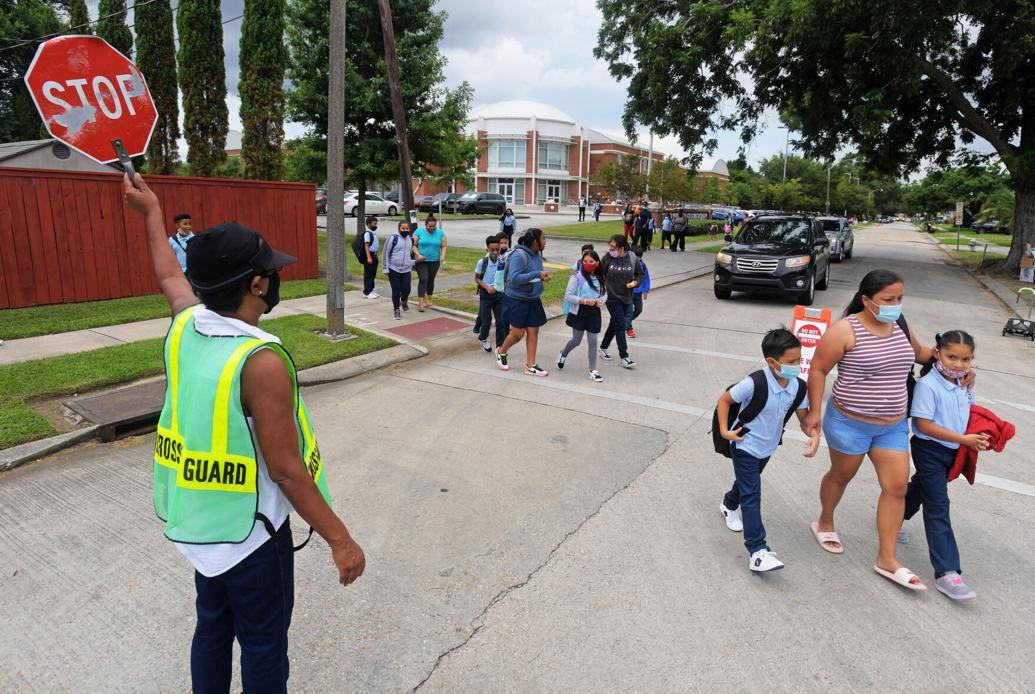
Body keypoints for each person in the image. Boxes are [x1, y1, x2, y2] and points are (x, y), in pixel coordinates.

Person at [121, 173, 365, 692]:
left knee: (212, 629)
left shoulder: (188, 323)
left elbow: (169, 277)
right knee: (263, 643)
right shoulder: (260, 360)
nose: (275, 278)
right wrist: (340, 540)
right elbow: (286, 470)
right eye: (270, 271)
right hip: (253, 536)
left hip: (203, 529)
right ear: (257, 284)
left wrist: (153, 215)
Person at [802, 269, 973, 591]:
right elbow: (819, 369)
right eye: (888, 299)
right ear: (867, 300)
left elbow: (921, 354)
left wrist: (955, 367)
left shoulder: (899, 325)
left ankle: (887, 558)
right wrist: (813, 412)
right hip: (850, 423)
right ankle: (824, 520)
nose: (896, 304)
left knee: (896, 488)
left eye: (899, 298)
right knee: (841, 476)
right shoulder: (843, 331)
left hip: (892, 425)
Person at [717, 328, 820, 571]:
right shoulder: (754, 382)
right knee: (752, 494)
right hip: (744, 444)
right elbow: (725, 400)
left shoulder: (797, 387)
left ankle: (728, 504)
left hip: (767, 446)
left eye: (800, 359)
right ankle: (757, 551)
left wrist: (814, 435)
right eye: (792, 361)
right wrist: (724, 431)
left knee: (746, 485)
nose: (798, 365)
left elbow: (804, 419)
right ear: (772, 362)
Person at [902, 330, 989, 600]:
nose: (958, 364)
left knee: (923, 487)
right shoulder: (928, 385)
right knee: (938, 504)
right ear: (937, 353)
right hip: (929, 449)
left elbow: (968, 412)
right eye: (952, 357)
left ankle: (893, 519)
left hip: (953, 450)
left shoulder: (964, 382)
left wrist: (980, 435)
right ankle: (947, 572)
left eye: (965, 359)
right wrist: (964, 438)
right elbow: (922, 425)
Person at [494, 228, 551, 376]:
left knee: (534, 331)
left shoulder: (537, 255)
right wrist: (537, 274)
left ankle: (530, 365)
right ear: (535, 242)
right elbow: (515, 277)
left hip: (532, 298)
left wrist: (541, 278)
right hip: (517, 299)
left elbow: (533, 275)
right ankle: (501, 351)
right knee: (518, 333)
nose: (545, 242)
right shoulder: (519, 255)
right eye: (543, 238)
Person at [557, 250, 607, 382]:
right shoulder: (576, 276)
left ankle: (593, 370)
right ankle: (563, 353)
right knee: (576, 340)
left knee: (593, 341)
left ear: (596, 263)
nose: (588, 264)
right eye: (585, 261)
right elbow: (569, 296)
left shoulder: (601, 277)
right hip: (579, 311)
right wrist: (585, 301)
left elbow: (605, 293)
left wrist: (602, 300)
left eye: (591, 261)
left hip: (594, 312)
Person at [598, 235, 642, 369]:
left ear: (622, 248)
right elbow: (598, 275)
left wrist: (636, 282)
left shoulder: (632, 257)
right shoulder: (607, 259)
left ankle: (603, 347)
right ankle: (624, 356)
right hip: (611, 298)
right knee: (621, 325)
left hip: (627, 297)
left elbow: (640, 274)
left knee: (615, 323)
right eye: (610, 246)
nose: (610, 249)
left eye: (613, 247)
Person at [475, 234, 506, 352]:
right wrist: (487, 287)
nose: (495, 252)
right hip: (485, 295)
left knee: (501, 321)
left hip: (499, 295)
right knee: (486, 321)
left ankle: (500, 346)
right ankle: (483, 337)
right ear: (487, 249)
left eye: (497, 250)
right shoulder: (482, 262)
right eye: (492, 250)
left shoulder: (502, 262)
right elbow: (477, 279)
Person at [382, 220, 416, 320]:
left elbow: (408, 256)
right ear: (399, 229)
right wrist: (385, 269)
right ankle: (396, 310)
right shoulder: (393, 238)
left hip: (406, 269)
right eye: (403, 228)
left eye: (407, 229)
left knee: (407, 289)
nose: (405, 230)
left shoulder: (411, 240)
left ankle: (404, 300)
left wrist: (414, 263)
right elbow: (385, 253)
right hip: (393, 269)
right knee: (396, 290)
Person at [414, 215, 447, 312]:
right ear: (426, 225)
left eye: (434, 226)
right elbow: (413, 245)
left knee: (431, 280)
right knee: (424, 279)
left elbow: (444, 246)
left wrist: (442, 256)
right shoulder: (418, 232)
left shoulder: (440, 233)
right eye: (430, 226)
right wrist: (418, 254)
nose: (432, 228)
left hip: (434, 261)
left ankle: (428, 299)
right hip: (422, 261)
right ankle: (421, 303)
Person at [628, 245, 651, 338]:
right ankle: (628, 328)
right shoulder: (626, 264)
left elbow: (646, 278)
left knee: (638, 309)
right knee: (628, 311)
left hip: (638, 292)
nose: (637, 259)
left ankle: (626, 321)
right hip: (628, 292)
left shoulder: (642, 265)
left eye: (639, 257)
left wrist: (646, 290)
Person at [359, 215, 380, 299]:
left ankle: (371, 290)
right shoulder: (367, 233)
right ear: (368, 224)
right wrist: (369, 257)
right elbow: (366, 245)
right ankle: (366, 292)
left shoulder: (373, 233)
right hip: (370, 255)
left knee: (373, 274)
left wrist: (375, 255)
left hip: (374, 255)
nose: (375, 225)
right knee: (368, 274)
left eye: (376, 224)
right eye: (374, 224)